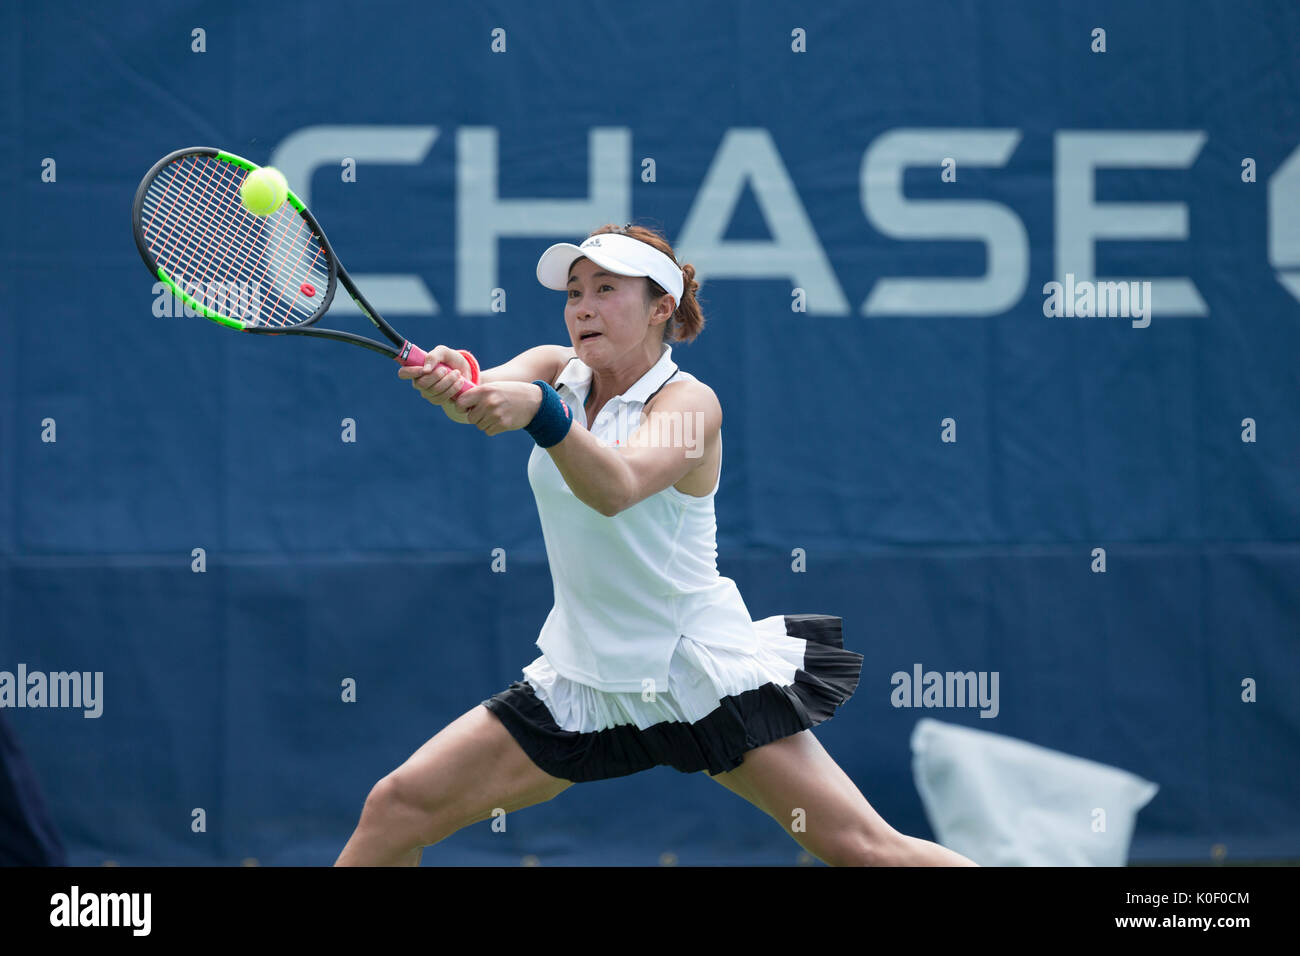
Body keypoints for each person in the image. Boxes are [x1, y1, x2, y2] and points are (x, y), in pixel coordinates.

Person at [335, 223, 977, 867]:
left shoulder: (692, 405)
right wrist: (455, 379)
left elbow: (617, 486)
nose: (581, 305)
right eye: (574, 291)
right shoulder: (553, 370)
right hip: (585, 680)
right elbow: (482, 399)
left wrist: (537, 410)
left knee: (867, 850)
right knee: (396, 809)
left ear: (660, 308)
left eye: (606, 289)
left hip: (695, 672)